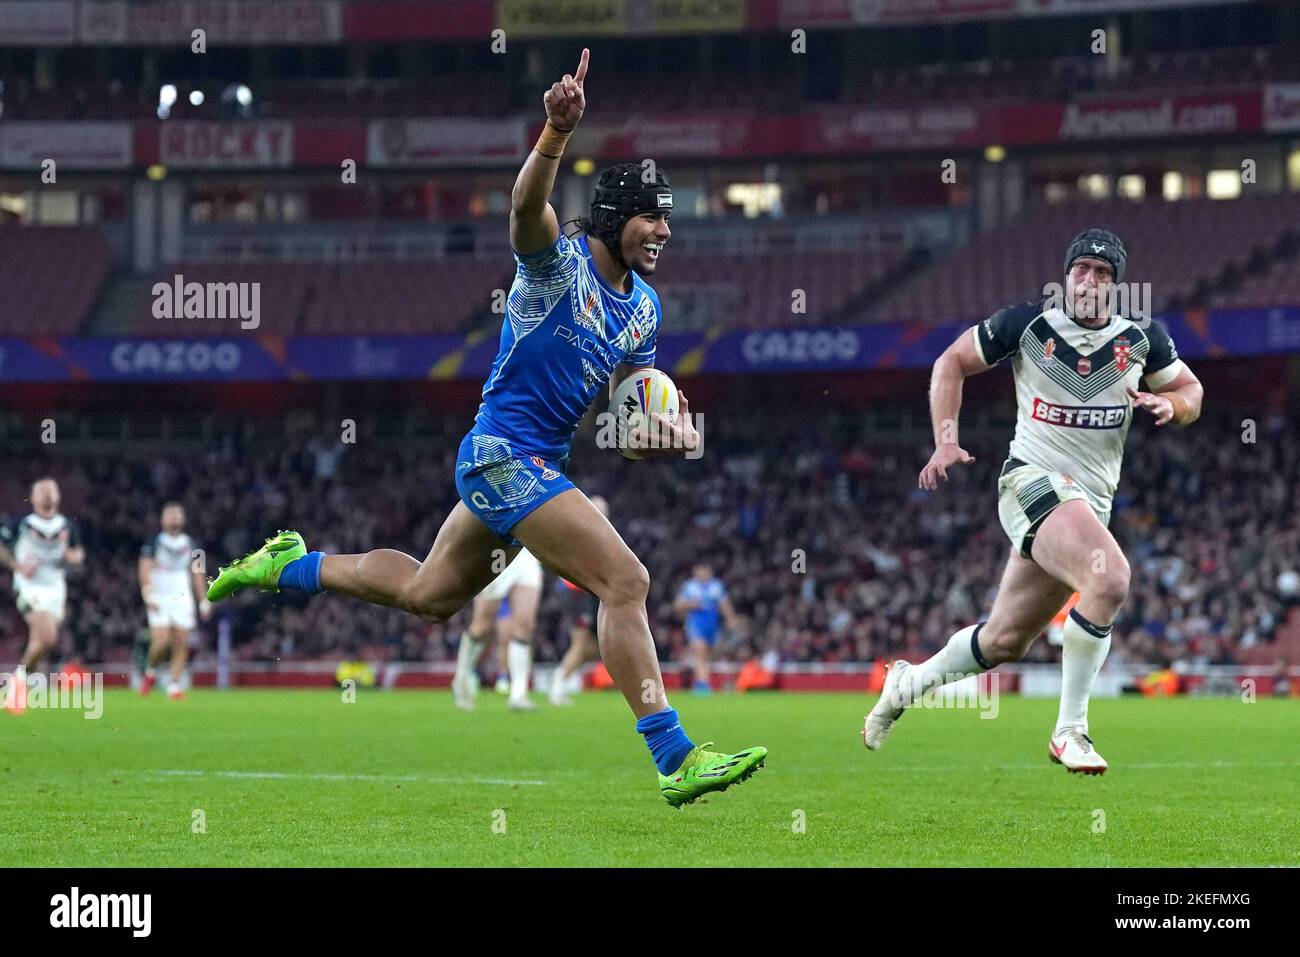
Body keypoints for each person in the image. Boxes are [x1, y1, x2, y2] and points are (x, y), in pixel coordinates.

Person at [205, 49, 766, 807]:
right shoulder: (556, 266)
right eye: (651, 215)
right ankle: (673, 756)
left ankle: (289, 563)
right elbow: (522, 210)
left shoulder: (645, 310)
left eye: (668, 216)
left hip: (528, 465)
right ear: (612, 217)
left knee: (429, 595)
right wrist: (555, 134)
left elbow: (631, 426)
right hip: (503, 455)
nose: (665, 229)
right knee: (626, 579)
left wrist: (669, 435)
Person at [864, 227, 1204, 774]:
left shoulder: (1142, 338)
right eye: (1081, 270)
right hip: (1030, 483)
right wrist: (946, 439)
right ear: (1066, 276)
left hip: (1086, 504)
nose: (1090, 281)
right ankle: (1070, 731)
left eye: (1102, 273)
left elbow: (1192, 390)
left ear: (1116, 285)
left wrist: (1173, 408)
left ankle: (908, 682)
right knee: (1111, 578)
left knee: (1003, 641)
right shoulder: (1027, 324)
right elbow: (950, 361)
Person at [0, 478, 85, 714]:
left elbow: (78, 552)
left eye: (51, 490)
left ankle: (16, 692)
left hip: (56, 588)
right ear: (33, 497)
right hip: (29, 586)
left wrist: (74, 557)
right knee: (48, 637)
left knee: (40, 642)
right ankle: (18, 681)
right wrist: (17, 566)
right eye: (42, 491)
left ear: (58, 496)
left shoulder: (67, 525)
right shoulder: (22, 523)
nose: (47, 494)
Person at [451, 547, 544, 711]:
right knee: (482, 626)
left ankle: (518, 694)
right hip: (498, 551)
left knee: (524, 626)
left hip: (527, 553)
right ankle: (461, 680)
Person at [138, 502, 211, 699]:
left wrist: (203, 600)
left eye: (178, 514)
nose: (174, 517)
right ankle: (150, 672)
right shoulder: (153, 542)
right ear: (162, 520)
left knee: (181, 641)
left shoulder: (193, 544)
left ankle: (174, 685)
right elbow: (144, 569)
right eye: (170, 514)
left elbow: (197, 573)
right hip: (160, 595)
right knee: (161, 641)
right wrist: (148, 593)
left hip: (182, 596)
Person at [549, 495, 609, 706]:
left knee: (592, 647)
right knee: (581, 642)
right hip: (574, 590)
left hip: (585, 592)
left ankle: (561, 678)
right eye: (598, 509)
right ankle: (558, 685)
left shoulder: (599, 532)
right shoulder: (583, 530)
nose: (602, 514)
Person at [673, 563, 739, 694]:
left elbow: (724, 603)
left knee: (707, 655)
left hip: (712, 625)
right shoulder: (690, 587)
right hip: (696, 624)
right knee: (700, 653)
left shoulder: (716, 586)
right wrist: (690, 604)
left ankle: (702, 683)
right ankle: (702, 685)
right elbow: (678, 605)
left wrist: (730, 618)